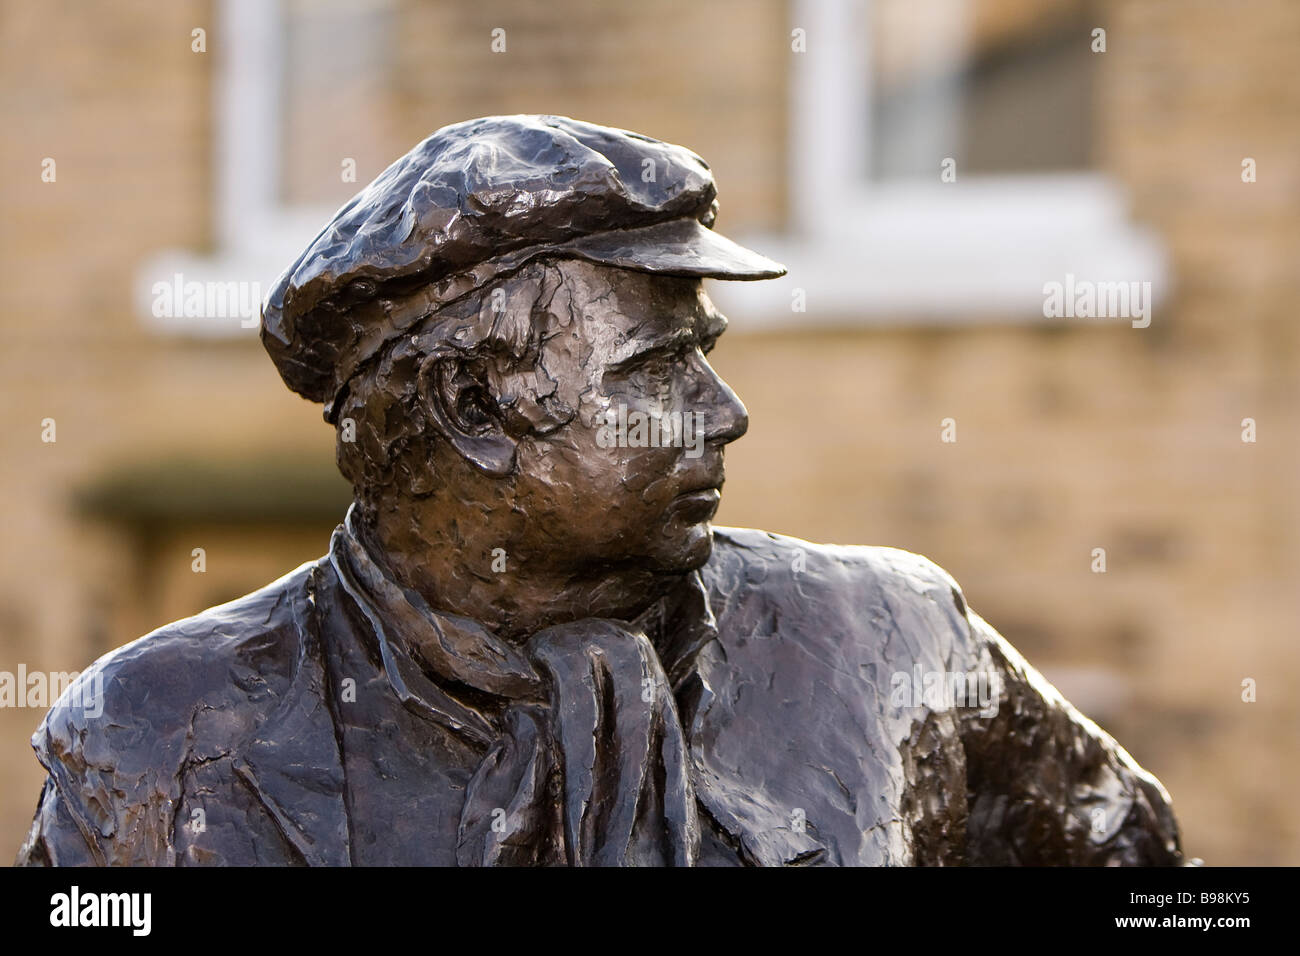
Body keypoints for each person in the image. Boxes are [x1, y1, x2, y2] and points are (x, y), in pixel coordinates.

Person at [17, 115, 1185, 866]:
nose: (726, 412)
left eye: (707, 351)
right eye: (659, 368)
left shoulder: (886, 641)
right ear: (475, 410)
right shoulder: (160, 742)